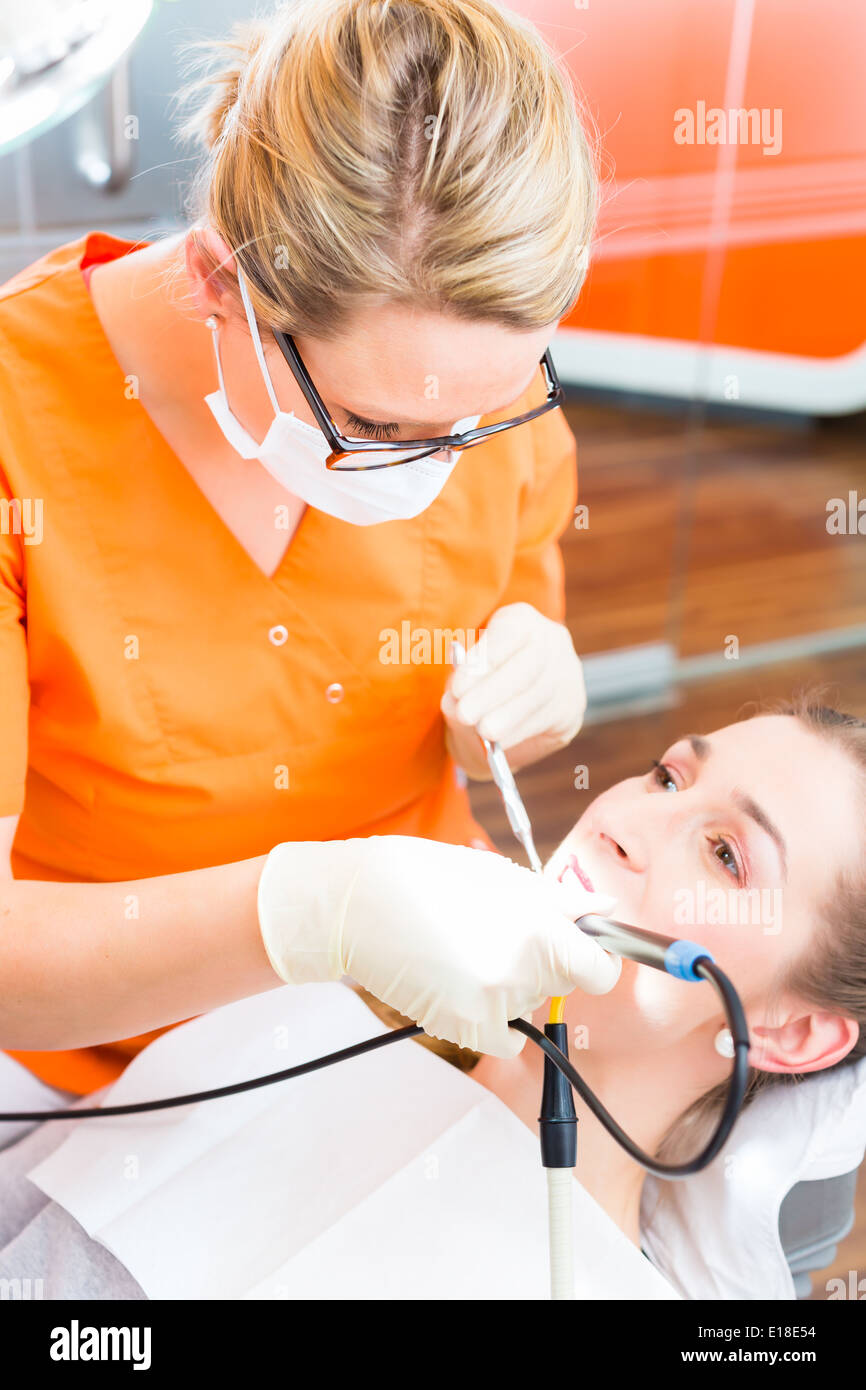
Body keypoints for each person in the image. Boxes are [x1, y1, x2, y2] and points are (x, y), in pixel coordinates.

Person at [0, 0, 616, 1097]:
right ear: (214, 280)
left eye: (479, 415)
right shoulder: (19, 431)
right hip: (97, 1076)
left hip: (418, 1024)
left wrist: (528, 701)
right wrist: (310, 914)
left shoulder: (481, 401)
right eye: (375, 426)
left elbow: (477, 740)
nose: (439, 463)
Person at [2, 694, 862, 1297]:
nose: (623, 823)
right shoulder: (299, 1024)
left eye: (725, 856)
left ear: (792, 1036)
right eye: (668, 779)